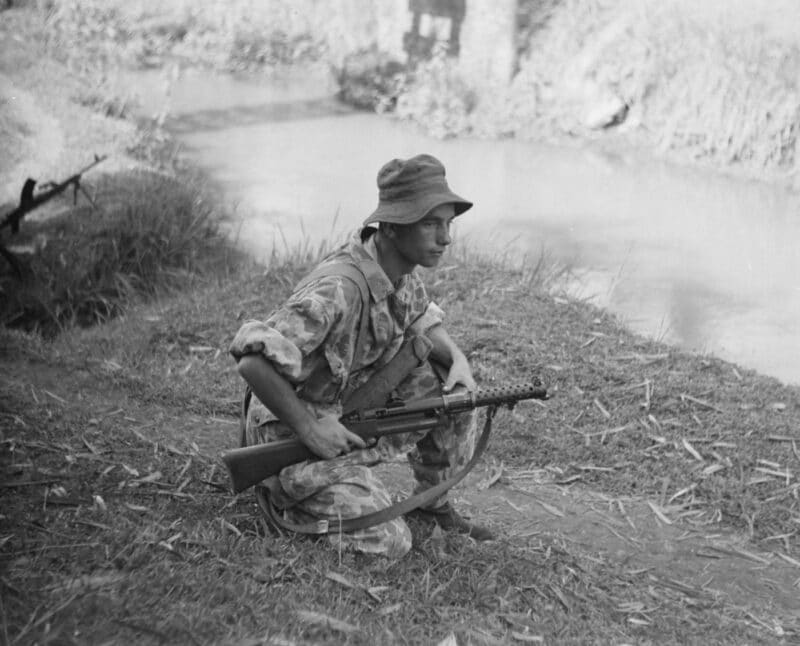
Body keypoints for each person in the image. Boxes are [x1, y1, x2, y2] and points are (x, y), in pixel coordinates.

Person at [229, 153, 493, 559]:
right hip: (290, 429)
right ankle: (288, 491)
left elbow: (423, 319)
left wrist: (459, 360)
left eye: (447, 224)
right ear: (390, 226)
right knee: (391, 542)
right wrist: (309, 429)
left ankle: (432, 506)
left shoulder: (396, 268)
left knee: (452, 390)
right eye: (430, 223)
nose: (445, 238)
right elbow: (253, 361)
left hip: (346, 407)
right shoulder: (339, 290)